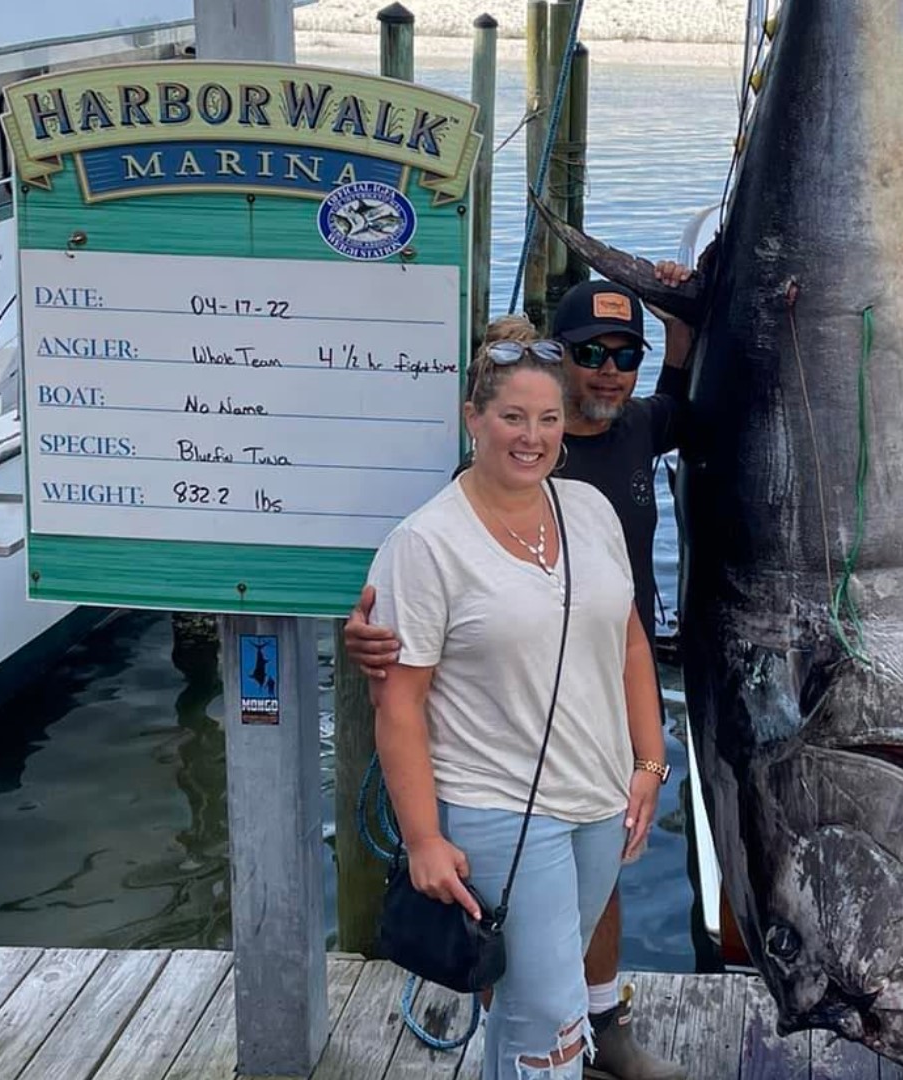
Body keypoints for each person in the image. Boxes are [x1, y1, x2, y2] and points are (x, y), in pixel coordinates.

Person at [350, 269, 694, 1080]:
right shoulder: (426, 543)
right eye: (511, 417)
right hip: (500, 808)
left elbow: (633, 643)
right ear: (474, 418)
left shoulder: (589, 511)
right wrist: (426, 838)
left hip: (600, 801)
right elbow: (400, 705)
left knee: (533, 1001)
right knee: (554, 1016)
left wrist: (648, 764)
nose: (530, 436)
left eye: (545, 418)